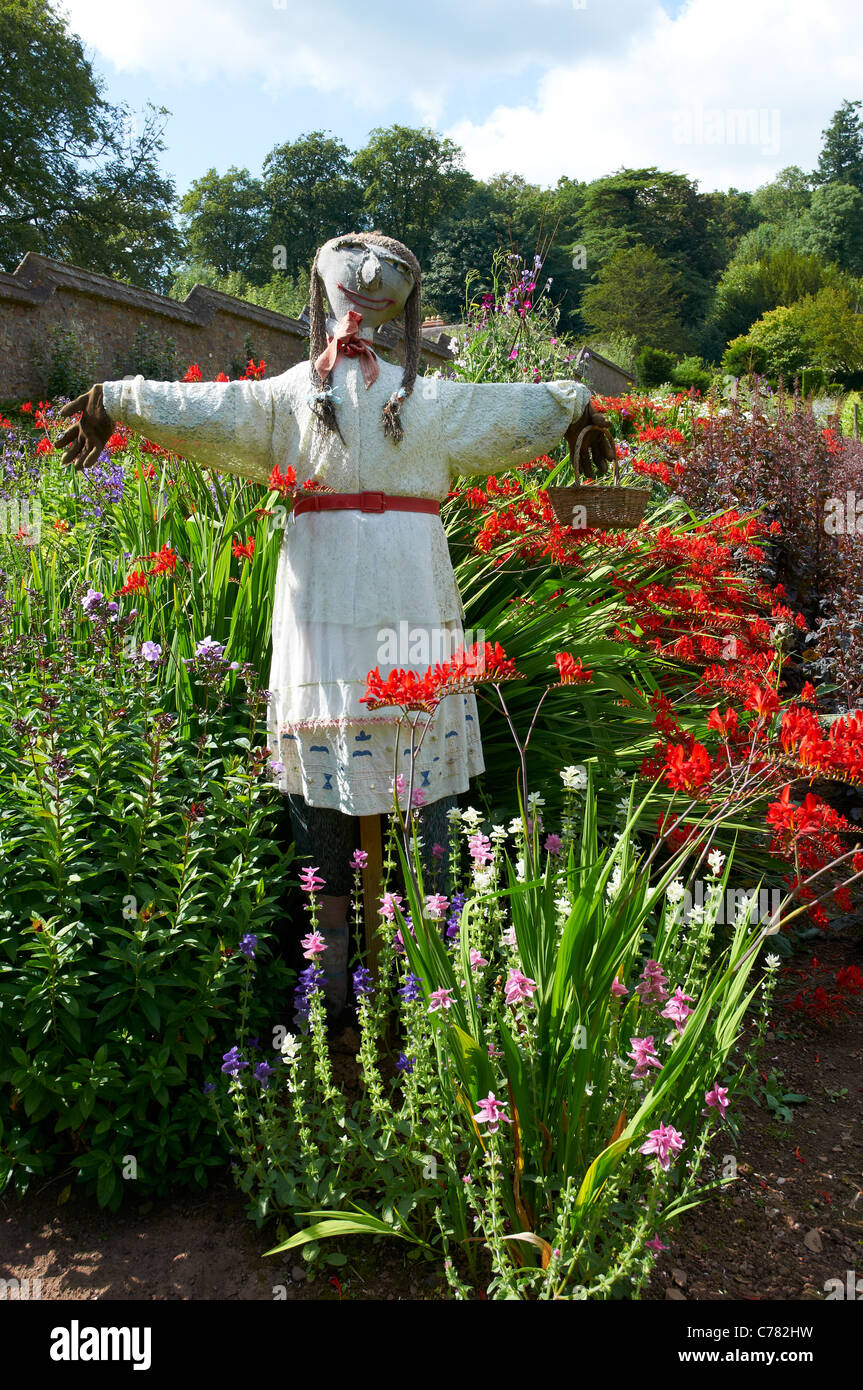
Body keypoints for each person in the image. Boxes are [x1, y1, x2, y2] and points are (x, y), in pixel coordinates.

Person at [58, 230, 614, 1014]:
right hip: (322, 607)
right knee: (327, 796)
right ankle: (333, 984)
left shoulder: (422, 398)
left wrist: (571, 405)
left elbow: (503, 405)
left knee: (422, 796)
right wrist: (120, 399)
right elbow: (214, 406)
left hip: (403, 598)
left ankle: (427, 984)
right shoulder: (293, 397)